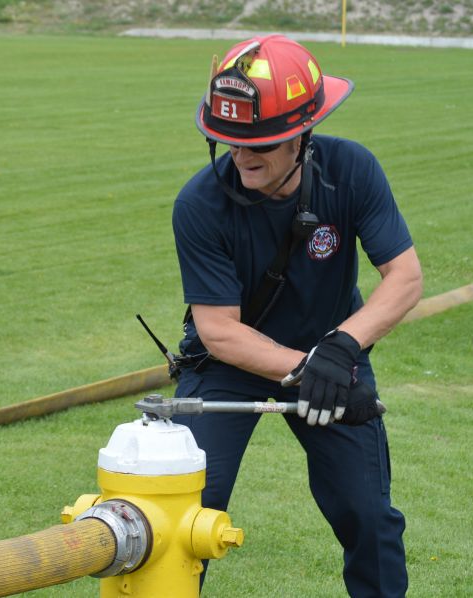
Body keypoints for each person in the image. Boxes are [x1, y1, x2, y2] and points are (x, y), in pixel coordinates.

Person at [169, 34, 423, 596]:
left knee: (367, 513)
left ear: (303, 135)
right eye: (227, 141)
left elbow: (405, 278)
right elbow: (218, 331)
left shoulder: (352, 170)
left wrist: (339, 349)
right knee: (183, 514)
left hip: (333, 349)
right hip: (230, 362)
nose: (240, 155)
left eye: (260, 142)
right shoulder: (198, 206)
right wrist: (310, 368)